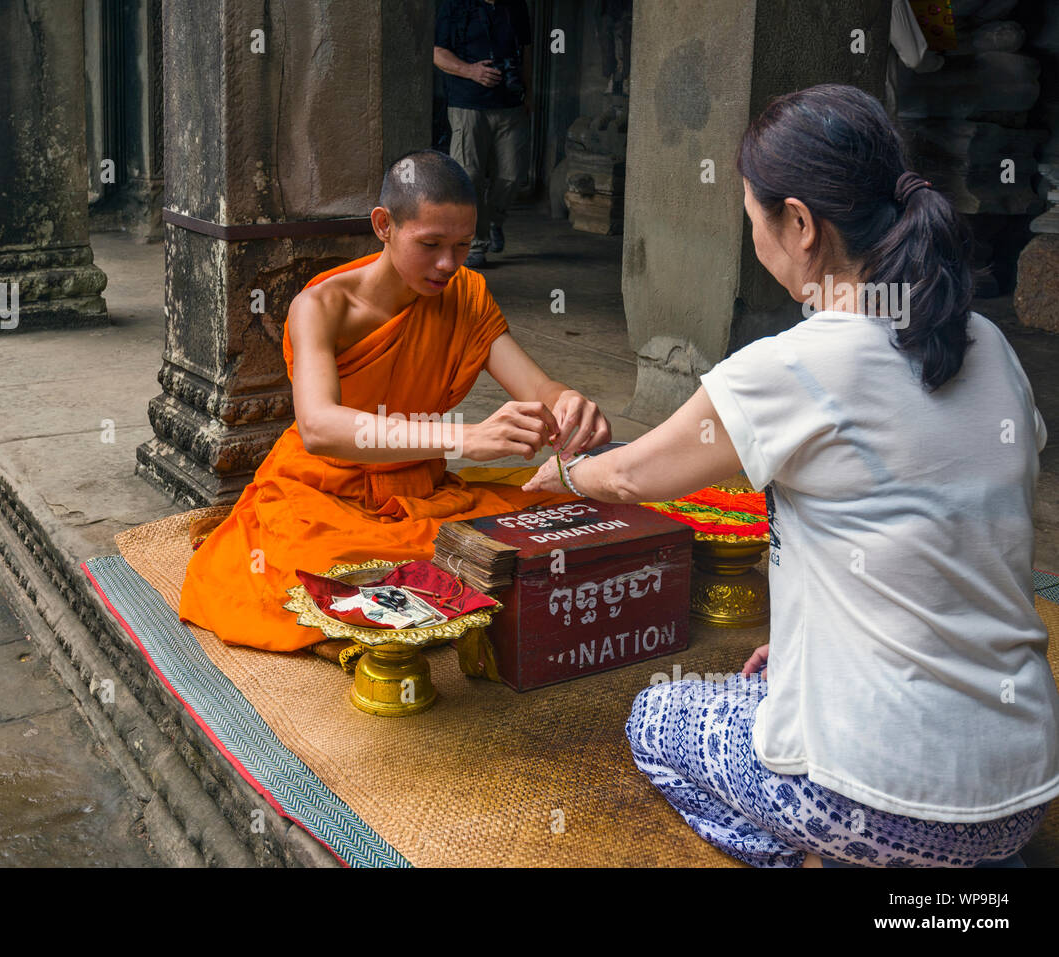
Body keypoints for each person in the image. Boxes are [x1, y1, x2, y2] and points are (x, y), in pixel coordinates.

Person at [522, 83, 1058, 868]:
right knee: (764, 691)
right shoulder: (987, 343)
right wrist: (806, 643)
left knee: (656, 716)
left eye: (754, 222)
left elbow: (634, 476)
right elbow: (932, 522)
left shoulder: (796, 366)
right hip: (1020, 793)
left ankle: (829, 857)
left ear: (801, 223)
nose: (757, 242)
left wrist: (568, 471)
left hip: (875, 797)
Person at [178, 149, 611, 653]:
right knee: (308, 573)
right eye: (430, 244)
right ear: (384, 225)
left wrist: (568, 401)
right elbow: (319, 426)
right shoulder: (319, 307)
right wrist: (466, 439)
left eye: (463, 245)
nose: (448, 264)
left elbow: (537, 387)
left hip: (422, 489)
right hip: (325, 491)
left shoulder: (466, 295)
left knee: (552, 533)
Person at [433, 0, 533, 269]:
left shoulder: (516, 5)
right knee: (469, 176)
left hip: (510, 104)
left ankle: (493, 221)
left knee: (514, 175)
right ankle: (477, 243)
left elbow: (526, 50)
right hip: (467, 104)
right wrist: (471, 71)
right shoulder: (452, 6)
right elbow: (438, 53)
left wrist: (529, 92)